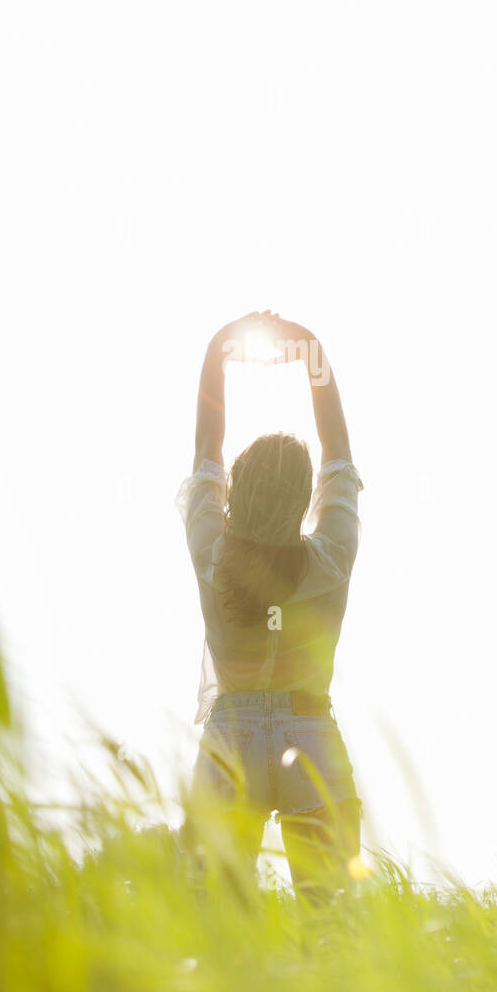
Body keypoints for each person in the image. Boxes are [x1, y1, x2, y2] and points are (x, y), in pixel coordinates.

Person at [176, 310, 364, 906]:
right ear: (306, 497)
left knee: (214, 922)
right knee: (328, 918)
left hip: (229, 739)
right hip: (309, 730)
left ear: (237, 484)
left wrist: (218, 350)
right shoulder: (331, 555)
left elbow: (207, 447)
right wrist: (309, 349)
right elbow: (338, 450)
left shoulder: (211, 552)